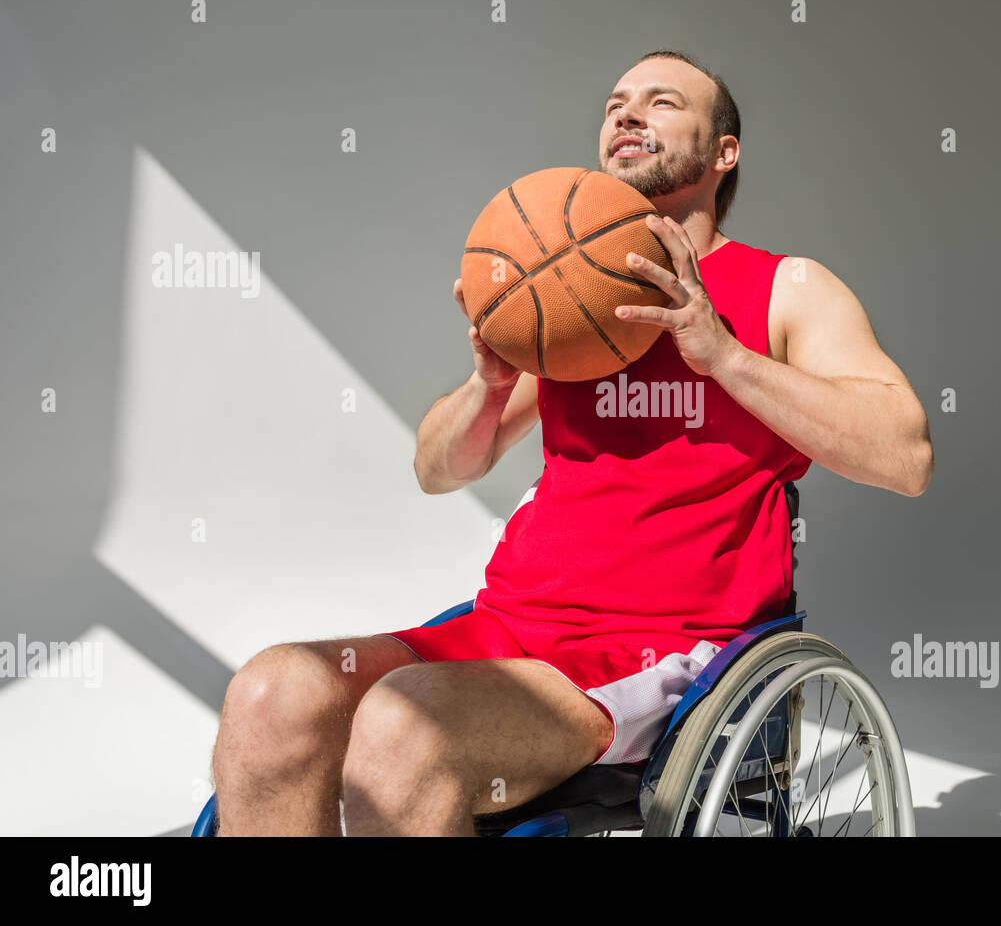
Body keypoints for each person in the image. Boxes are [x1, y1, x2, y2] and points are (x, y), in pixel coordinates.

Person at [210, 49, 933, 836]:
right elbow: (438, 468)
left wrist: (722, 354)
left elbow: (906, 457)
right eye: (617, 102)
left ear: (725, 152)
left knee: (403, 723)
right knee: (270, 695)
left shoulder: (785, 288)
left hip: (667, 655)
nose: (627, 114)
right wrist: (488, 383)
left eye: (662, 102)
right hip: (514, 630)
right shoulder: (573, 293)